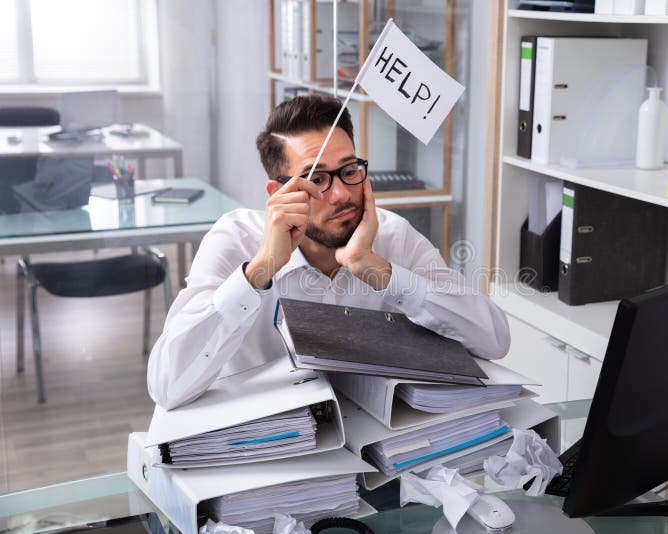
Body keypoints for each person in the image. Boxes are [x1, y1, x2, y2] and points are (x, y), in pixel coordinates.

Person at [147, 95, 510, 410]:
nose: (341, 195)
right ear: (278, 194)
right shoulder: (236, 238)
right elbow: (167, 386)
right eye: (317, 179)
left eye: (349, 170)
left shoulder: (393, 236)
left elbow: (493, 339)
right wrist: (258, 271)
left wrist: (379, 271)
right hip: (268, 446)